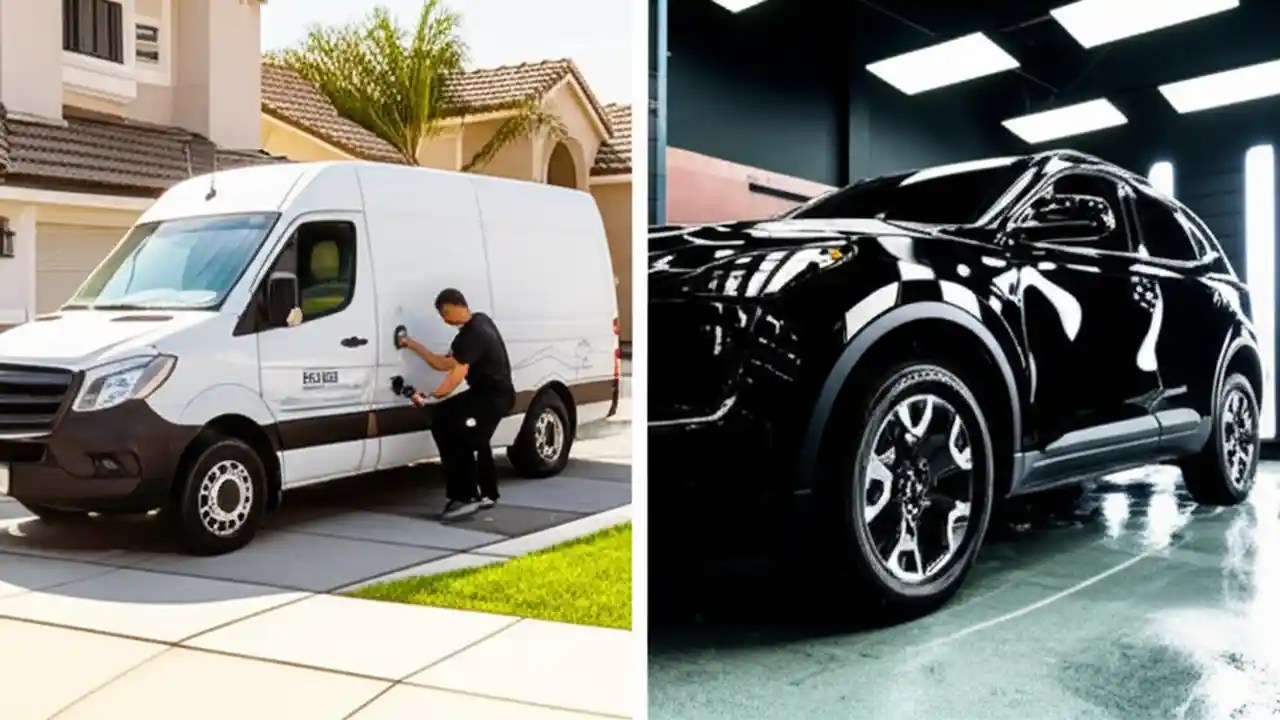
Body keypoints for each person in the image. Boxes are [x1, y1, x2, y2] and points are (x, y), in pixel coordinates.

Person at [397, 288, 516, 520]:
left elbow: (455, 376)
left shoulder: (474, 335)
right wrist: (411, 344)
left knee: (451, 428)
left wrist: (432, 396)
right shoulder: (478, 323)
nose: (444, 319)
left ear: (456, 305)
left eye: (445, 312)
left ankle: (466, 497)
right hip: (487, 394)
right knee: (471, 436)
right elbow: (443, 364)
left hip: (493, 397)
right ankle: (487, 494)